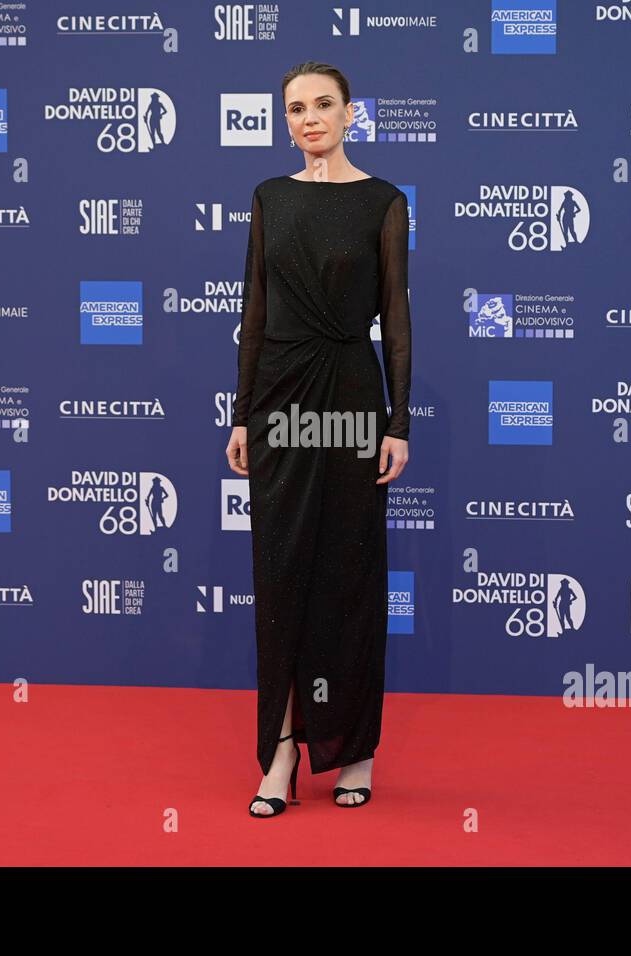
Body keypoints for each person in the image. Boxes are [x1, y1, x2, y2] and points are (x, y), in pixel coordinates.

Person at [225, 61, 411, 816]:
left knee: (350, 577)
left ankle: (355, 752)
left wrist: (398, 422)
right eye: (295, 108)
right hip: (279, 401)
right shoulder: (269, 197)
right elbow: (255, 310)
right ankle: (279, 756)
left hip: (351, 399)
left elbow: (395, 319)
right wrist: (242, 413)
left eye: (322, 105)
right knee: (281, 581)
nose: (308, 119)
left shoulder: (382, 203)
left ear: (349, 113)